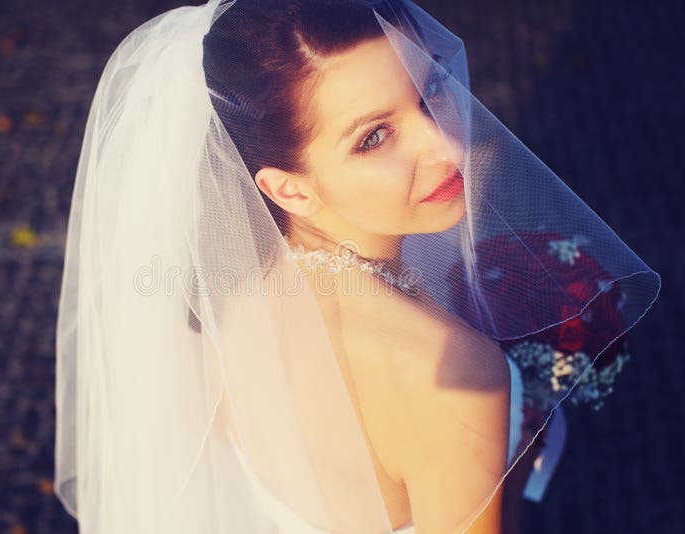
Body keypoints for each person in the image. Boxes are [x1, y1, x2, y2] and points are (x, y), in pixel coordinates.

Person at [53, 1, 661, 532]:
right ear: (289, 190)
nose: (445, 145)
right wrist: (510, 445)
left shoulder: (224, 296)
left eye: (429, 93)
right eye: (373, 137)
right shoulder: (452, 374)